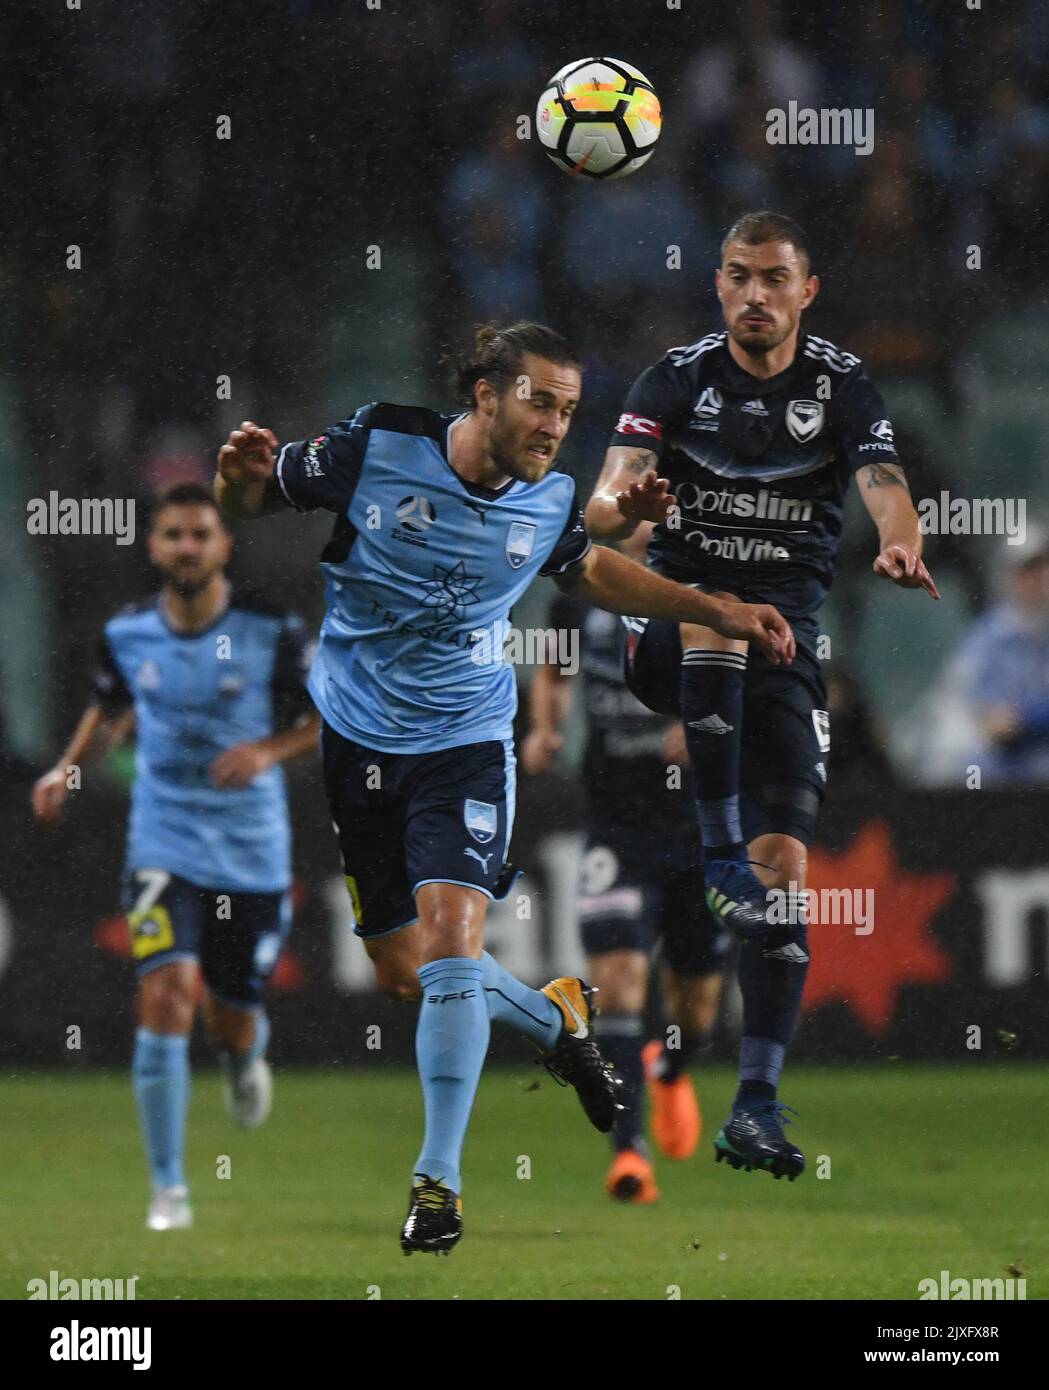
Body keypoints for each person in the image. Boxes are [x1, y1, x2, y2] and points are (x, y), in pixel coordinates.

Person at [213, 321, 795, 1255]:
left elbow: (594, 570)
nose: (555, 425)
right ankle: (552, 1015)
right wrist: (237, 478)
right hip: (356, 738)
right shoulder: (378, 445)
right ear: (485, 395)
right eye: (539, 402)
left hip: (467, 743)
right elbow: (242, 503)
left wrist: (711, 606)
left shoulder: (549, 498)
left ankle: (436, 1184)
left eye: (567, 410)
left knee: (448, 951)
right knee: (405, 976)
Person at [585, 212, 937, 1181]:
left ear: (804, 290)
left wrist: (897, 539)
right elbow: (602, 501)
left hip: (785, 645)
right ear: (717, 285)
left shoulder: (839, 383)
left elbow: (880, 479)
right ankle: (712, 848)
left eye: (772, 278)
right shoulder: (675, 378)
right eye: (736, 276)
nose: (753, 294)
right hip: (673, 626)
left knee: (783, 866)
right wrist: (630, 508)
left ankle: (755, 1102)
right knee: (714, 616)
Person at [31, 483, 320, 1232]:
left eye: (200, 534)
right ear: (154, 547)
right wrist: (67, 767)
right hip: (163, 839)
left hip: (251, 849)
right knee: (166, 993)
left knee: (232, 1018)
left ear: (224, 545)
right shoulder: (128, 632)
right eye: (172, 535)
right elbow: (110, 705)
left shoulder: (270, 629)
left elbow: (323, 717)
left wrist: (265, 750)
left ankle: (241, 1055)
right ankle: (169, 1188)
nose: (186, 547)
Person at [523, 524, 730, 1205]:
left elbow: (757, 679)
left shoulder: (706, 592)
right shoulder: (577, 596)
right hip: (617, 822)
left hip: (698, 825)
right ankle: (629, 1154)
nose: (649, 516)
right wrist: (545, 726)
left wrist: (706, 720)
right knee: (616, 979)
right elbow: (552, 668)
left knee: (695, 998)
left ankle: (671, 1069)